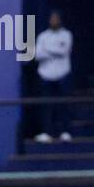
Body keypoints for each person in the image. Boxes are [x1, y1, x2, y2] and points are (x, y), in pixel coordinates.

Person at [34, 10, 73, 143]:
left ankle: (65, 132)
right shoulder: (42, 36)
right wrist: (54, 50)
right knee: (46, 105)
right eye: (52, 18)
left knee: (63, 105)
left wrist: (48, 50)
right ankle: (47, 133)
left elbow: (63, 51)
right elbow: (38, 55)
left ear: (60, 20)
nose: (54, 21)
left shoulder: (67, 35)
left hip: (62, 74)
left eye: (56, 18)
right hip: (45, 75)